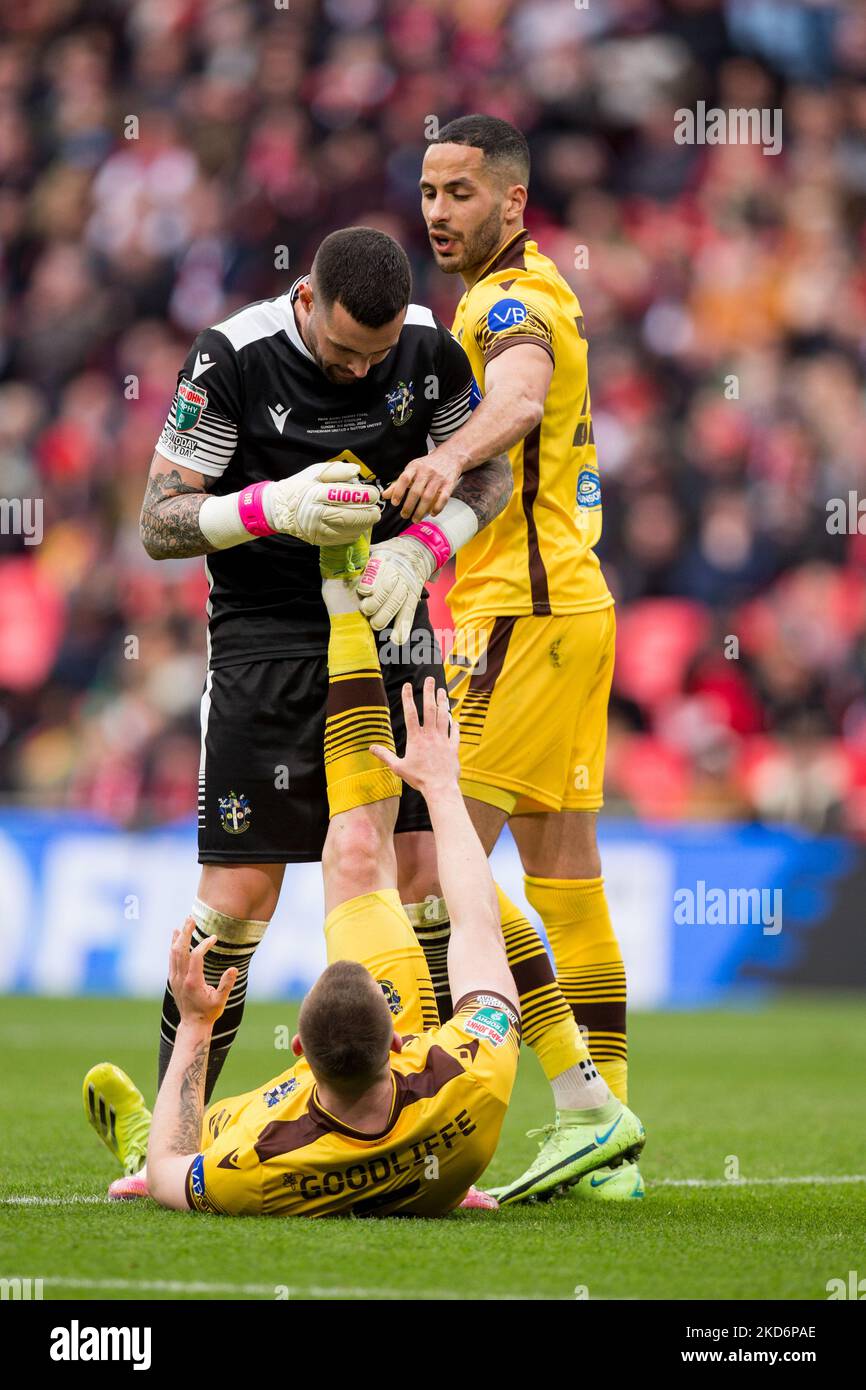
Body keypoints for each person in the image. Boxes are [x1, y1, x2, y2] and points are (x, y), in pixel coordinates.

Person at [83, 543, 644, 1216]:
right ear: (406, 1038)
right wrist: (441, 785)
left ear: (300, 1057)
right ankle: (589, 1102)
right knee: (388, 863)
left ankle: (339, 593)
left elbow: (174, 1170)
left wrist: (196, 1031)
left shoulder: (251, 1159)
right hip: (566, 610)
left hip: (284, 1138)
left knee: (353, 851)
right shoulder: (470, 1078)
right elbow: (476, 922)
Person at [127, 226, 512, 1195]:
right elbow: (160, 519)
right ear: (306, 300)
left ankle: (424, 1125)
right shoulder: (232, 354)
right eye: (343, 354)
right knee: (238, 898)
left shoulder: (427, 347)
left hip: (392, 616)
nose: (359, 370)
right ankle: (167, 1147)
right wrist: (268, 508)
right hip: (265, 639)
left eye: (373, 359)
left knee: (418, 874)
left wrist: (428, 542)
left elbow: (490, 470)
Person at [362, 114, 643, 1205]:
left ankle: (568, 1102)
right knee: (562, 877)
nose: (437, 211)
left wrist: (444, 454)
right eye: (428, 190)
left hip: (518, 617)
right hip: (566, 609)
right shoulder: (503, 293)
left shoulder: (510, 300)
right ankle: (604, 1142)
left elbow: (519, 400)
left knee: (433, 866)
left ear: (513, 203)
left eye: (461, 192)